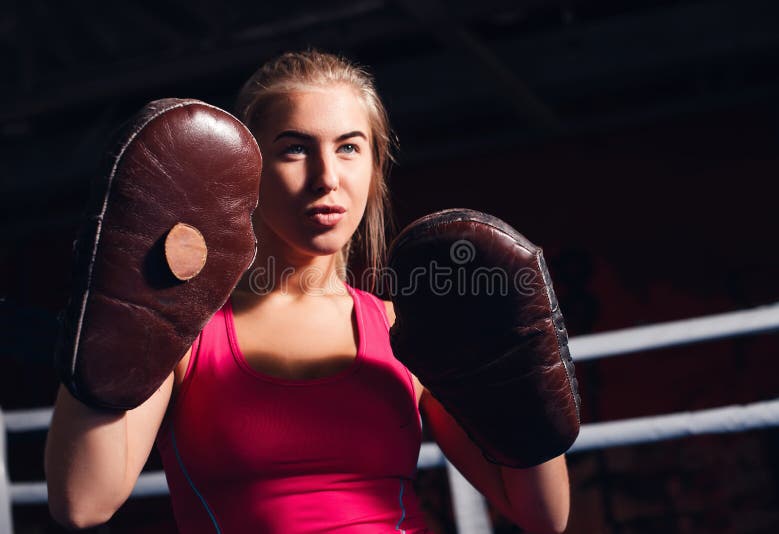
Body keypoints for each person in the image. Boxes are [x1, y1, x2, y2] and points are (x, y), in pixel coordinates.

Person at [44, 50, 570, 533]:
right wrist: (114, 297)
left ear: (374, 167)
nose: (326, 177)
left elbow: (544, 516)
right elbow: (83, 503)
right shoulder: (184, 330)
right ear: (246, 172)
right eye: (295, 149)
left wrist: (519, 373)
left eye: (348, 148)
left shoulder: (404, 329)